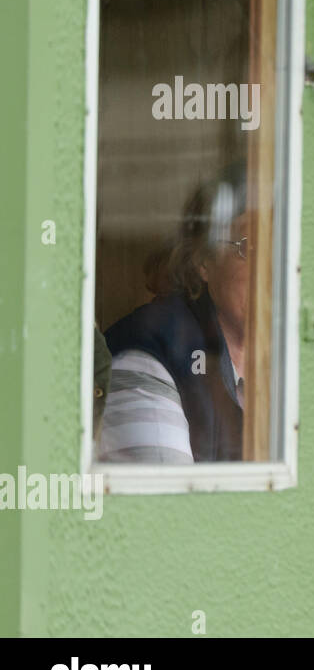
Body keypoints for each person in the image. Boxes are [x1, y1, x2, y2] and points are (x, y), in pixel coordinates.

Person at [99, 163, 251, 462]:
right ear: (204, 261)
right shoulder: (147, 359)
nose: (274, 269)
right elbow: (166, 506)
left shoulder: (294, 360)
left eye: (284, 248)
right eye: (253, 247)